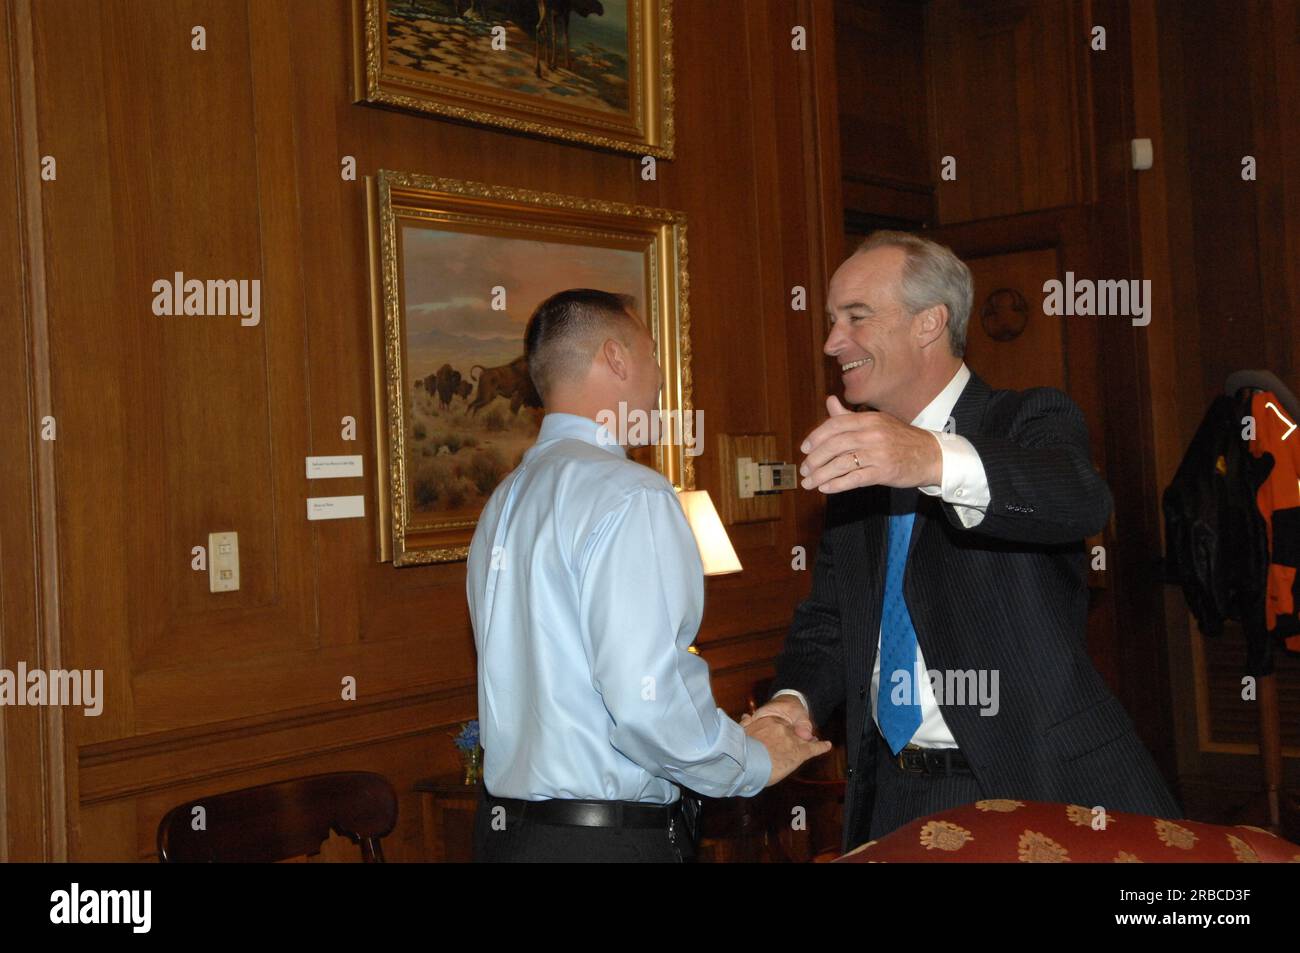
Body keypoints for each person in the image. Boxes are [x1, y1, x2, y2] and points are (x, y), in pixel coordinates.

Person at [749, 232, 1182, 853]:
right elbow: (832, 619)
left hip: (1037, 780)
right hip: (893, 795)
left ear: (930, 322)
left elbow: (1077, 498)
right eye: (830, 321)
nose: (831, 342)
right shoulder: (857, 468)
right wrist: (792, 703)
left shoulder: (1029, 419)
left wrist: (928, 458)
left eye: (856, 317)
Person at [466, 288, 830, 862]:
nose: (662, 376)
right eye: (654, 352)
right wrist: (752, 759)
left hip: (509, 836)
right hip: (605, 843)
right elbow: (646, 702)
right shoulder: (632, 495)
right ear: (616, 358)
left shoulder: (506, 499)